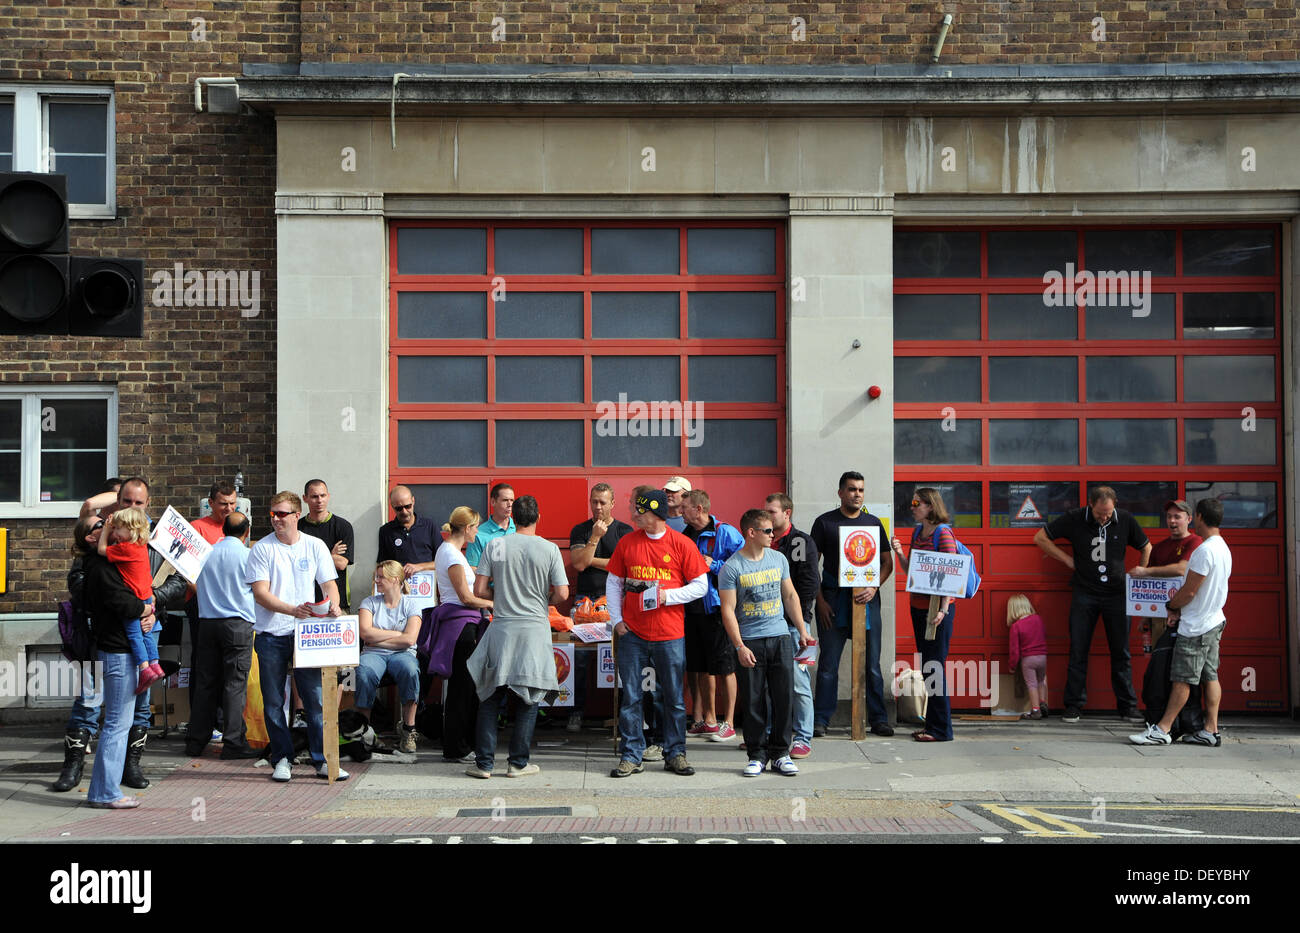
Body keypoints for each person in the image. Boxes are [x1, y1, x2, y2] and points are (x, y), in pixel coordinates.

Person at [59, 477, 186, 791]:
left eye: (138, 503)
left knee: (139, 702)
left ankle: (131, 765)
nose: (132, 507)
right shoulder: (104, 532)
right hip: (102, 629)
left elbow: (181, 580)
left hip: (147, 623)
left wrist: (153, 601)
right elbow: (79, 580)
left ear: (148, 504)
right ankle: (73, 767)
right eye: (126, 501)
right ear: (117, 501)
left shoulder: (160, 536)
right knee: (89, 697)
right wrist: (114, 603)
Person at [606, 488, 710, 778]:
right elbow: (614, 584)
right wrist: (616, 620)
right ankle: (631, 755)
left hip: (670, 634)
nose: (634, 515)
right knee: (631, 697)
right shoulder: (627, 543)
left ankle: (675, 752)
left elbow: (701, 585)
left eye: (639, 511)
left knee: (674, 698)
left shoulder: (682, 544)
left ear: (654, 514)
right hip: (633, 635)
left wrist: (669, 597)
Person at [466, 495, 568, 778]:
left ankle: (484, 765)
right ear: (538, 518)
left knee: (489, 696)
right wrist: (541, 597)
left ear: (514, 518)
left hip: (502, 628)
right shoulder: (548, 549)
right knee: (529, 697)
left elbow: (479, 590)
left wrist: (503, 595)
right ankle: (517, 764)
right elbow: (562, 594)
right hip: (534, 630)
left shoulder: (495, 545)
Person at [246, 491, 346, 782]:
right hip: (271, 633)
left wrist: (334, 605)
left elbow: (329, 584)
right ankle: (282, 758)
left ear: (295, 516)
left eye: (282, 513)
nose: (276, 519)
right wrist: (293, 609)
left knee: (315, 699)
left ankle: (322, 760)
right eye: (273, 514)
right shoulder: (262, 549)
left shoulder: (314, 546)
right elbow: (261, 594)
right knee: (275, 700)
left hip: (307, 634)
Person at [1034, 486, 1152, 723]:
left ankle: (1128, 706)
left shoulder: (1125, 520)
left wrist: (1142, 573)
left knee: (1121, 651)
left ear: (1115, 505)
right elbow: (1040, 537)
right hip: (1084, 592)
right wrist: (1067, 559)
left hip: (1117, 594)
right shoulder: (1076, 518)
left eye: (1108, 513)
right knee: (1078, 649)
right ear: (1090, 504)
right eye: (1100, 513)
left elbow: (1146, 546)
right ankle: (1074, 705)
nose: (1104, 517)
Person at [1130, 498, 1233, 747]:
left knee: (1182, 679)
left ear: (1197, 517)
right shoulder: (1222, 547)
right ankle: (1211, 729)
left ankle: (1162, 729)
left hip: (1196, 626)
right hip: (1214, 621)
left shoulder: (1204, 550)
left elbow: (1189, 591)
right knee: (1210, 676)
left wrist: (1172, 606)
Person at [720, 509, 813, 777]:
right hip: (750, 641)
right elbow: (727, 610)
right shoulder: (732, 568)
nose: (773, 535)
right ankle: (757, 755)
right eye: (768, 531)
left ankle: (781, 754)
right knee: (753, 700)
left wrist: (802, 631)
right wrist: (739, 646)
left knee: (784, 698)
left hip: (780, 637)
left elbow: (791, 596)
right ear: (752, 533)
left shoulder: (779, 559)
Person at [810, 471, 895, 737]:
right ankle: (821, 719)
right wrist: (820, 602)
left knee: (872, 665)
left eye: (860, 489)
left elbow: (887, 563)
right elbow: (813, 567)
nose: (856, 494)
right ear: (840, 493)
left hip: (867, 600)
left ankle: (879, 719)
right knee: (828, 665)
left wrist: (873, 587)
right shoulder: (824, 523)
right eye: (851, 489)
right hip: (833, 600)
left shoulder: (872, 523)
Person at [82, 519, 158, 810]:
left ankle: (103, 790)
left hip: (118, 649)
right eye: (100, 528)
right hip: (117, 651)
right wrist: (147, 607)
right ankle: (105, 792)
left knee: (119, 722)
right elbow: (125, 603)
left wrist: (148, 609)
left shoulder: (108, 563)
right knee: (117, 723)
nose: (108, 529)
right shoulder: (101, 567)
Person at [187, 512, 260, 759]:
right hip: (237, 625)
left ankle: (196, 741)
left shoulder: (207, 552)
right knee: (234, 685)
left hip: (207, 622)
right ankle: (233, 742)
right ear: (246, 532)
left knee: (205, 684)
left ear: (223, 530)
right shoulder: (248, 556)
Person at [889, 487, 958, 742]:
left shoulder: (943, 533)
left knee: (935, 667)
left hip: (935, 611)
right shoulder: (918, 532)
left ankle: (941, 730)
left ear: (930, 506)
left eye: (917, 502)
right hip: (918, 606)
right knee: (929, 668)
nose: (912, 506)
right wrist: (899, 553)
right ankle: (932, 725)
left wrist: (943, 610)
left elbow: (951, 574)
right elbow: (913, 572)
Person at [568, 483, 633, 732]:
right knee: (581, 658)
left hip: (615, 602)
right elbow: (579, 565)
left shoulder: (624, 531)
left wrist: (590, 557)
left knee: (619, 658)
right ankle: (576, 712)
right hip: (585, 603)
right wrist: (594, 537)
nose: (597, 507)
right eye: (594, 501)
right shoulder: (581, 530)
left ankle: (621, 715)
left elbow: (624, 567)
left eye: (602, 502)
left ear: (613, 503)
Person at [680, 488, 743, 743]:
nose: (680, 512)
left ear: (699, 509)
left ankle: (728, 723)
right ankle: (709, 720)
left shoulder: (724, 532)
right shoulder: (686, 534)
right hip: (692, 609)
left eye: (684, 508)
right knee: (702, 668)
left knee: (725, 666)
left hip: (717, 610)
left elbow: (743, 564)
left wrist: (713, 564)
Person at [432, 506, 492, 761]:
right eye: (475, 527)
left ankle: (461, 743)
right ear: (466, 528)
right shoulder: (452, 555)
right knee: (462, 688)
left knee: (466, 687)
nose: (477, 532)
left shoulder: (452, 552)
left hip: (464, 624)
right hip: (461, 626)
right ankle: (456, 746)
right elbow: (466, 597)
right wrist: (492, 604)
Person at [765, 493, 820, 758]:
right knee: (767, 683)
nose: (768, 515)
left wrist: (801, 622)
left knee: (798, 681)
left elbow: (809, 584)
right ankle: (769, 734)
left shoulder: (800, 542)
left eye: (772, 511)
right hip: (765, 624)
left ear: (787, 513)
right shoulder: (763, 541)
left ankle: (803, 737)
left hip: (792, 625)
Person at [357, 561, 424, 753]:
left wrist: (377, 638)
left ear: (395, 580)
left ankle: (408, 730)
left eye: (380, 577)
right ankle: (364, 731)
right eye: (376, 576)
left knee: (410, 670)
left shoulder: (411, 604)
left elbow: (410, 639)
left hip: (402, 653)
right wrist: (397, 635)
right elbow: (365, 634)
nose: (376, 581)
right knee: (363, 673)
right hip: (373, 654)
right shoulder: (369, 603)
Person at [96, 507, 165, 694]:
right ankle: (155, 663)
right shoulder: (141, 545)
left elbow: (101, 549)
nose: (115, 533)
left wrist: (105, 530)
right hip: (147, 595)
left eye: (118, 529)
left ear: (132, 529)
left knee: (134, 634)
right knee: (146, 634)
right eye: (115, 528)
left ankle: (144, 669)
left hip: (134, 598)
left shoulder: (125, 548)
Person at [1129, 499, 1203, 644]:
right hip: (1159, 616)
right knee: (1160, 658)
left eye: (1177, 517)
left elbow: (1182, 569)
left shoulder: (1196, 542)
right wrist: (1145, 616)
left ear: (1189, 519)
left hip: (1185, 615)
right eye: (1169, 516)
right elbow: (1149, 585)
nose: (1172, 521)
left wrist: (1145, 571)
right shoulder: (1159, 547)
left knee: (1181, 661)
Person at [299, 479, 355, 612]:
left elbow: (341, 563)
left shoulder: (343, 526)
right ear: (305, 498)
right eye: (314, 496)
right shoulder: (298, 528)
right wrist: (330, 555)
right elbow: (293, 562)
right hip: (304, 604)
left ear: (328, 496)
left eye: (323, 495)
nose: (319, 500)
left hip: (336, 605)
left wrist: (307, 558)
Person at [378, 485, 439, 578]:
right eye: (399, 508)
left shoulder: (429, 526)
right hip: (398, 588)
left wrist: (419, 567)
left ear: (413, 501)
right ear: (392, 506)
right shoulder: (386, 531)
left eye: (408, 506)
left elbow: (443, 561)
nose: (404, 511)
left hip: (426, 587)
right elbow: (382, 566)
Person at [1006, 594, 1049, 721]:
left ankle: (1035, 710)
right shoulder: (1038, 619)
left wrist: (1012, 666)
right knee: (1041, 680)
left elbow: (1014, 650)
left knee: (1032, 684)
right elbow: (1043, 634)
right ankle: (1043, 703)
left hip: (1028, 659)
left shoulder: (1016, 626)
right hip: (1042, 656)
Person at [466, 483, 516, 569]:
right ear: (493, 502)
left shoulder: (520, 529)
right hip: (492, 582)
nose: (510, 504)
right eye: (505, 500)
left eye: (512, 500)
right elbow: (472, 568)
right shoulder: (478, 534)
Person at [193, 481, 240, 546]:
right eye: (223, 504)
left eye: (232, 503)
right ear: (211, 502)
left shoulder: (238, 526)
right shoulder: (197, 528)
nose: (228, 508)